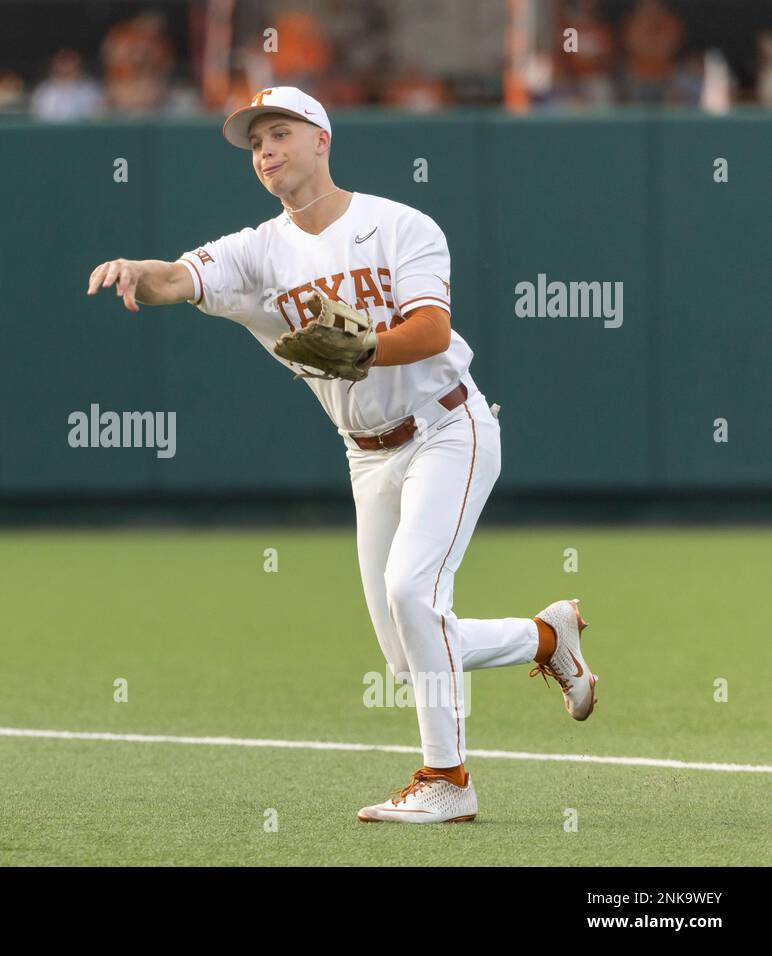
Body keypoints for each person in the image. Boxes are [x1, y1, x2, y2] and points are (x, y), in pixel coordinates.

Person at [86, 87, 598, 824]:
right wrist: (136, 270)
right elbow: (176, 275)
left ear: (321, 139)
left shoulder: (398, 225)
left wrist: (362, 348)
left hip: (447, 428)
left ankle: (447, 781)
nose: (265, 150)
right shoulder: (258, 249)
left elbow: (428, 332)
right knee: (407, 653)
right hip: (367, 456)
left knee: (412, 595)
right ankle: (549, 637)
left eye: (279, 133)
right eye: (255, 141)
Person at [30, 50, 105, 122]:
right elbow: (38, 118)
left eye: (70, 60)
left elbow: (98, 118)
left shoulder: (91, 89)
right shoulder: (44, 91)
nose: (66, 65)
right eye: (63, 60)